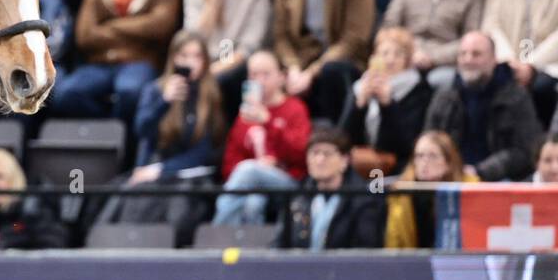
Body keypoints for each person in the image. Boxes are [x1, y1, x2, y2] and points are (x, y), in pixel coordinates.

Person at [47, 0, 179, 124]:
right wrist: (134, 30)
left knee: (129, 91)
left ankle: (124, 144)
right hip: (101, 64)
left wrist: (111, 27)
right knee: (67, 93)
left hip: (141, 61)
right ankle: (108, 130)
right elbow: (84, 34)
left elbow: (159, 26)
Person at [118, 30, 225, 245]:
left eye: (197, 57)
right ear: (174, 58)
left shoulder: (211, 94)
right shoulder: (156, 90)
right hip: (155, 171)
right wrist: (164, 102)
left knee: (179, 208)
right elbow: (143, 132)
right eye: (184, 56)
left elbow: (205, 152)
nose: (191, 63)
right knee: (131, 201)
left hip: (190, 176)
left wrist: (160, 170)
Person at [424, 30, 542, 181]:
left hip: (500, 180)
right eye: (463, 54)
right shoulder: (445, 95)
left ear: (493, 59)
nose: (468, 60)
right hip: (451, 178)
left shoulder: (516, 96)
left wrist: (480, 172)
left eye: (476, 54)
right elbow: (429, 140)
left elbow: (525, 150)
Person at [212, 48, 311, 225]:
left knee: (248, 170)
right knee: (253, 202)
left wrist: (267, 121)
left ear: (282, 77)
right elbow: (230, 164)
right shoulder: (244, 115)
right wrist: (257, 167)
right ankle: (249, 250)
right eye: (254, 75)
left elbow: (302, 153)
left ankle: (216, 235)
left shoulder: (295, 108)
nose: (259, 80)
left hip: (289, 182)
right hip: (251, 185)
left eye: (266, 74)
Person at [183, 0, 271, 118]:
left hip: (234, 60)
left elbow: (249, 46)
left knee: (224, 80)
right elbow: (194, 36)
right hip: (200, 58)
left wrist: (214, 70)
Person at [340, 26, 431, 174]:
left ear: (407, 60)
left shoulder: (419, 90)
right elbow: (343, 139)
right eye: (385, 53)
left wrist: (387, 105)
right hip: (360, 165)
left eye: (398, 54)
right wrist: (360, 105)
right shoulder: (359, 88)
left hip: (398, 166)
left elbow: (405, 144)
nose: (390, 60)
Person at [278, 127, 385, 248]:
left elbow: (366, 252)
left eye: (327, 153)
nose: (319, 160)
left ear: (345, 160)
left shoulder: (363, 201)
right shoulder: (297, 198)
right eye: (314, 153)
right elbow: (279, 246)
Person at [384, 129, 479, 248]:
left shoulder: (470, 189)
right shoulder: (401, 192)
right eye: (419, 156)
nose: (424, 162)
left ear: (449, 162)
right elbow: (394, 242)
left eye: (432, 156)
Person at [0, 148, 68, 249]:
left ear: (13, 180)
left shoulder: (31, 209)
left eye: (0, 177)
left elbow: (22, 226)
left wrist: (6, 235)